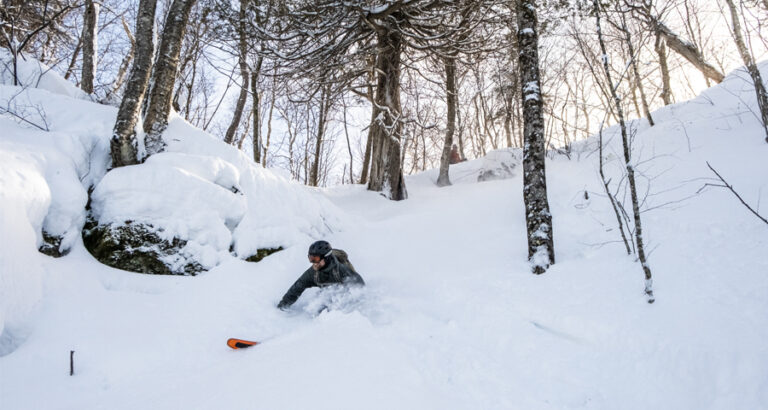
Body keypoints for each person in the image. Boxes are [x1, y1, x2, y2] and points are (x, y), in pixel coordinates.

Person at [277, 240, 365, 310]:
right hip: (328, 289)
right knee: (321, 308)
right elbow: (297, 287)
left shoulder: (341, 270)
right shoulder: (312, 273)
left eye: (315, 258)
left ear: (326, 258)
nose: (313, 262)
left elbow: (360, 286)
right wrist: (283, 305)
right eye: (310, 258)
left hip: (344, 289)